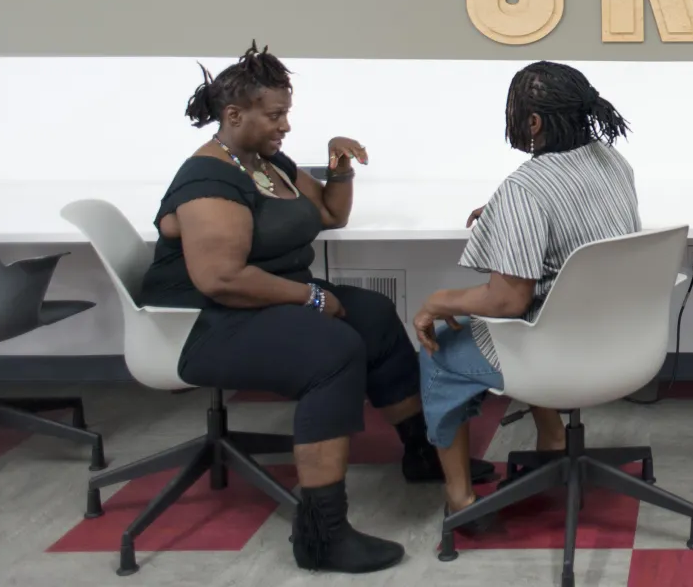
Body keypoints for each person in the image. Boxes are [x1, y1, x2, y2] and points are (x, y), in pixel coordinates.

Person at [139, 43, 493, 574]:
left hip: (256, 302)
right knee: (333, 352)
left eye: (287, 113)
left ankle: (420, 451)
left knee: (370, 314)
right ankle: (322, 534)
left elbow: (330, 214)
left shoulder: (266, 163)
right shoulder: (208, 179)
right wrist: (307, 296)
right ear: (234, 115)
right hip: (202, 321)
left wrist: (339, 165)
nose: (285, 125)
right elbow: (221, 277)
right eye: (275, 114)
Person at [412, 60, 640, 523]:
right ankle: (553, 439)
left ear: (533, 122)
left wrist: (437, 301)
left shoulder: (527, 188)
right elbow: (571, 212)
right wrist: (504, 210)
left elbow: (507, 301)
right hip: (621, 339)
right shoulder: (611, 159)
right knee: (539, 310)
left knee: (437, 352)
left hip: (559, 350)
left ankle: (459, 500)